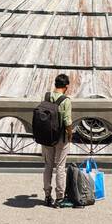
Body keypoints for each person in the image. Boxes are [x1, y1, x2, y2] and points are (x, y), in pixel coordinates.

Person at [41, 73, 74, 207]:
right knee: (60, 166)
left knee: (48, 165)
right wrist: (70, 134)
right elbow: (67, 121)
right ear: (66, 87)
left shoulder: (47, 96)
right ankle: (60, 198)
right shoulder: (66, 100)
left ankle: (47, 196)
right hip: (60, 138)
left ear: (55, 84)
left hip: (46, 136)